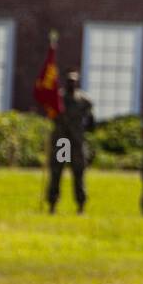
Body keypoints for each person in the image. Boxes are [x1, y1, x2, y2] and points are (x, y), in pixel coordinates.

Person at [47, 69, 94, 214]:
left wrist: (82, 130)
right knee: (57, 173)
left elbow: (91, 121)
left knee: (79, 174)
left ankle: (81, 205)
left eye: (74, 82)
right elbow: (51, 115)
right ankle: (53, 203)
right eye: (69, 82)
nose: (71, 84)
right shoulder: (58, 98)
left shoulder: (84, 100)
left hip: (76, 143)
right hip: (63, 142)